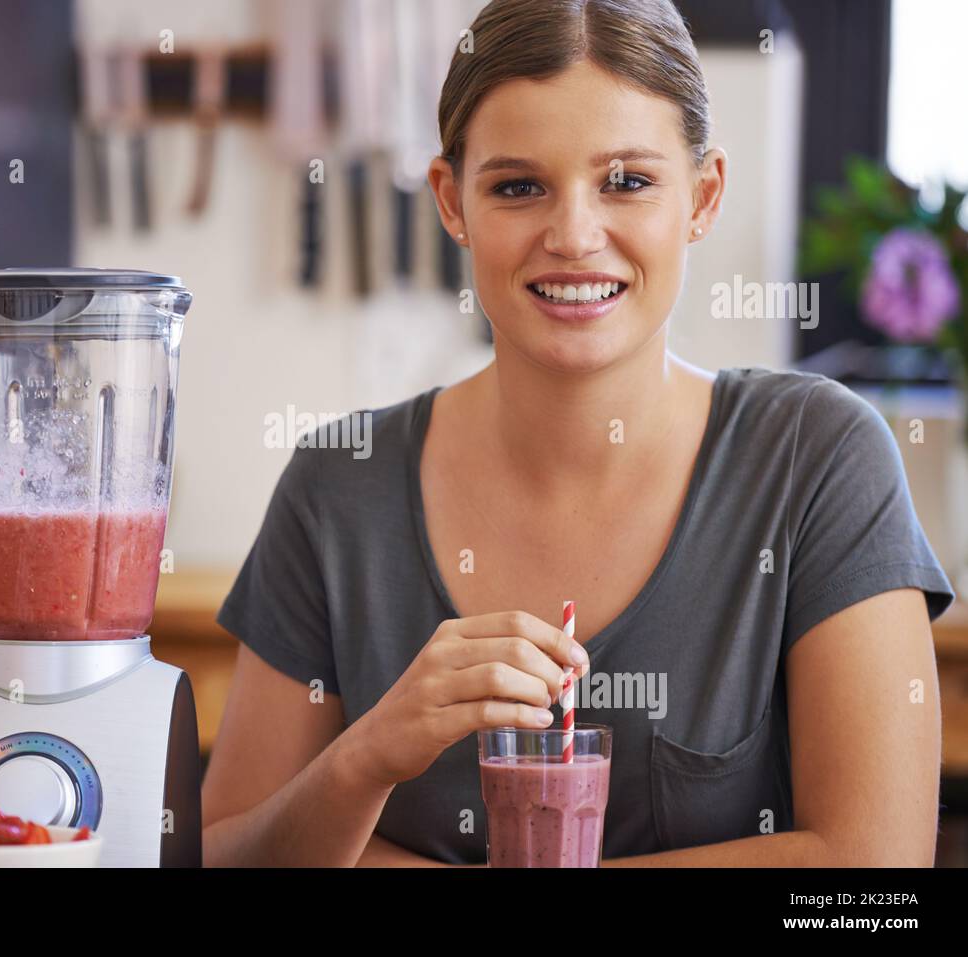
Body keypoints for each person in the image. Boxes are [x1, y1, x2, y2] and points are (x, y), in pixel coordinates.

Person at [201, 0, 955, 866]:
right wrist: (366, 756)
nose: (573, 235)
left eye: (627, 181)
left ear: (703, 195)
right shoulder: (339, 485)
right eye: (518, 186)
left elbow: (874, 879)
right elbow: (222, 853)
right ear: (452, 202)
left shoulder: (817, 459)